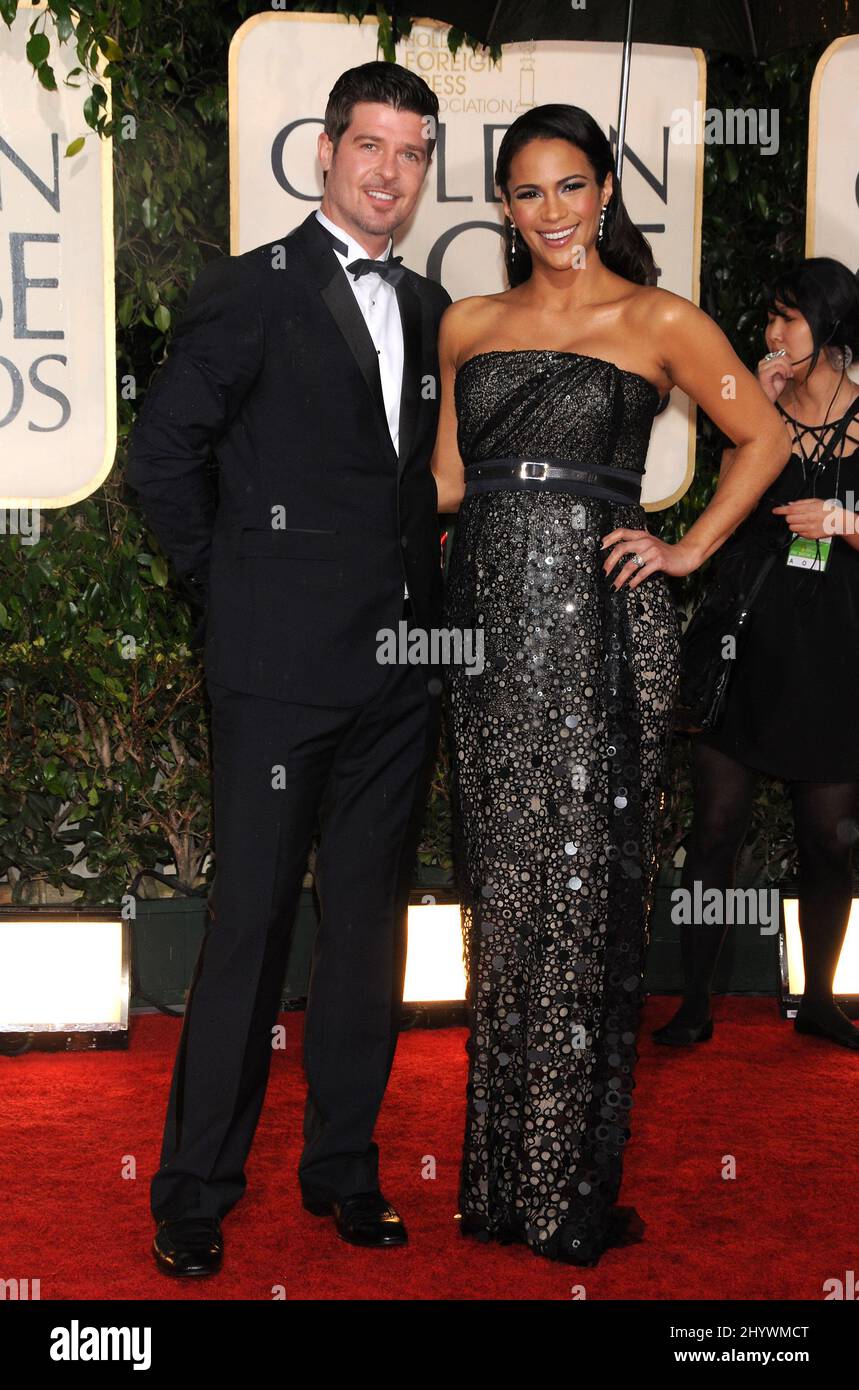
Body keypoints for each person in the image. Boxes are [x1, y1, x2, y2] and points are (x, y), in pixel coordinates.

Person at [431, 103, 790, 1267]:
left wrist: (685, 548)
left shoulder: (658, 318)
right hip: (487, 638)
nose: (550, 212)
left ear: (602, 193)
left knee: (585, 905)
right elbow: (446, 482)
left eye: (570, 187)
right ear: (502, 203)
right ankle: (498, 1183)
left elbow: (766, 439)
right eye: (527, 192)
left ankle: (565, 1190)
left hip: (599, 632)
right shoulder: (468, 324)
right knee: (508, 899)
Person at [126, 61, 451, 1276]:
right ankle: (194, 1187)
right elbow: (164, 458)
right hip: (273, 674)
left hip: (394, 677)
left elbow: (402, 487)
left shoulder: (426, 307)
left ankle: (344, 1172)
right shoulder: (249, 288)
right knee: (250, 928)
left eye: (412, 153)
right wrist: (235, 597)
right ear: (324, 153)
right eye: (370, 146)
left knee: (368, 931)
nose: (389, 172)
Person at [655, 258, 859, 1052]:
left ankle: (817, 998)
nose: (772, 336)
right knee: (714, 826)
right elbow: (722, 512)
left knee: (827, 835)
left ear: (833, 326)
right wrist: (757, 426)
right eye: (768, 319)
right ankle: (695, 999)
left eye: (789, 320)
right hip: (746, 636)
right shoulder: (752, 402)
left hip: (835, 646)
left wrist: (842, 523)